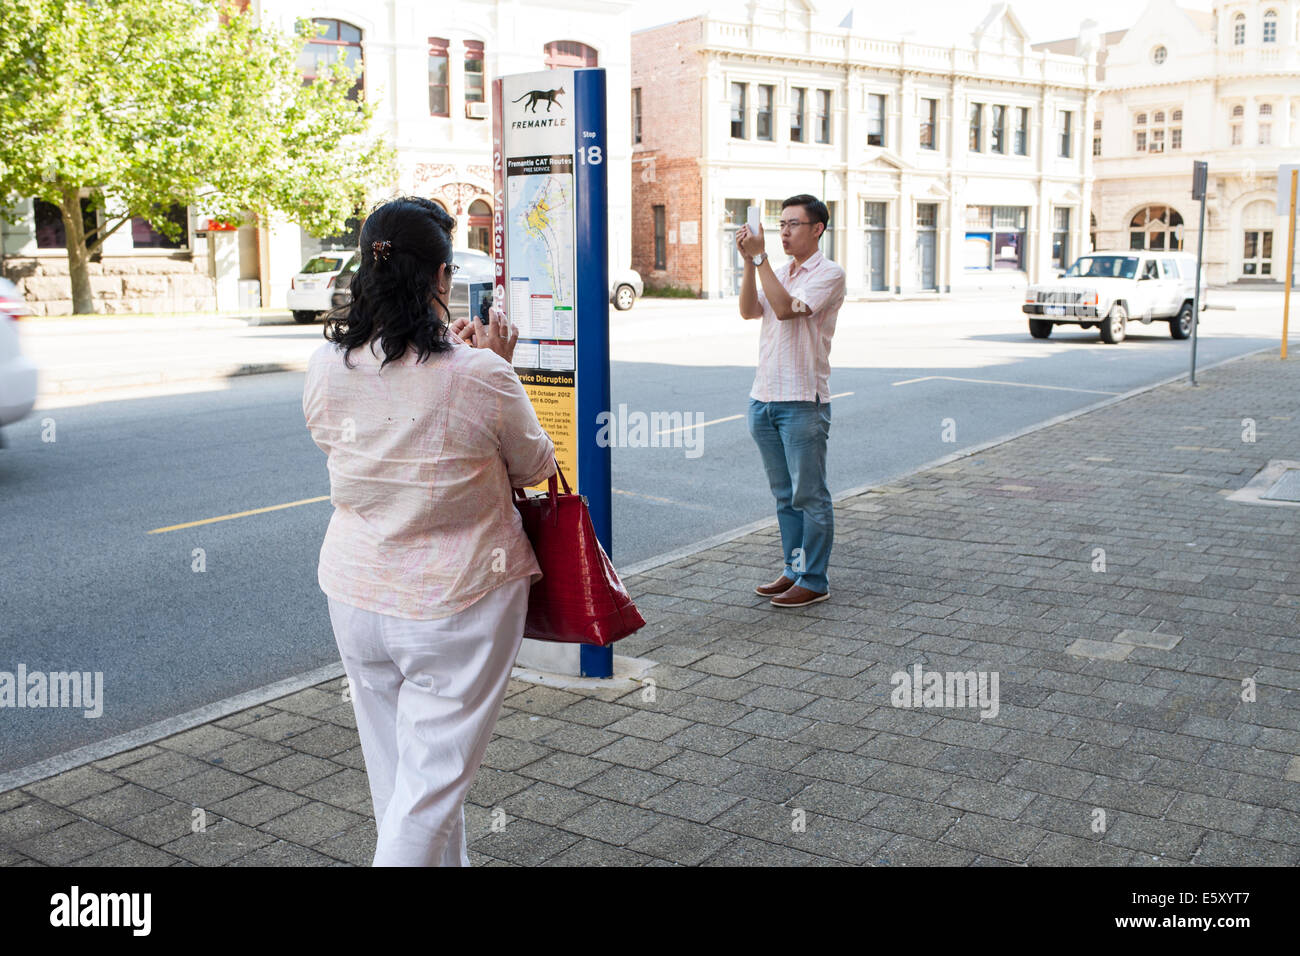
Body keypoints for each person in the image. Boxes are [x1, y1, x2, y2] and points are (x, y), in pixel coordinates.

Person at [302, 196, 555, 866]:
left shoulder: (328, 365)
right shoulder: (482, 374)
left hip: (356, 595)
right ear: (443, 279)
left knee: (403, 786)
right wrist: (501, 367)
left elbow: (337, 442)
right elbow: (534, 466)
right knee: (428, 794)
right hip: (456, 602)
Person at [736, 193, 846, 608]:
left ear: (817, 229)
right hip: (763, 398)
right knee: (784, 496)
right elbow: (750, 311)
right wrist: (751, 263)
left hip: (803, 400)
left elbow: (784, 310)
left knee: (810, 495)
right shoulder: (777, 270)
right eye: (780, 224)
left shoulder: (829, 274)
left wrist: (760, 260)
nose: (783, 231)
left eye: (793, 224)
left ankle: (815, 579)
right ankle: (793, 568)